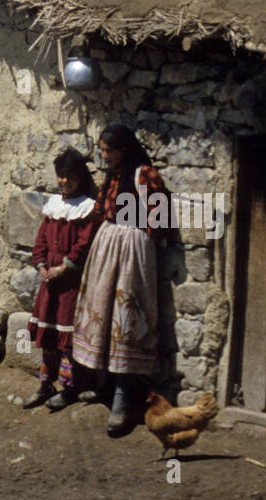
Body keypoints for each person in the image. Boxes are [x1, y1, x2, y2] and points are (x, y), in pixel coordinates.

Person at [72, 124, 169, 435]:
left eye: (109, 151)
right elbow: (102, 209)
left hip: (134, 251)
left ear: (125, 149)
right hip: (108, 245)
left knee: (126, 320)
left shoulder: (145, 176)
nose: (104, 156)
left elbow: (161, 220)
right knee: (103, 315)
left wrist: (139, 241)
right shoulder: (113, 175)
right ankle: (105, 385)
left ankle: (123, 397)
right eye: (102, 151)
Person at [23, 147, 98, 412]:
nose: (64, 181)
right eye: (61, 176)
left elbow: (83, 243)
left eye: (70, 177)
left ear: (80, 178)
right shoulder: (53, 206)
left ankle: (69, 387)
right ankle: (45, 383)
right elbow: (41, 238)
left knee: (66, 337)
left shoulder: (88, 209)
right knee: (48, 334)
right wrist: (41, 264)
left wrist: (63, 268)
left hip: (69, 282)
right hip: (49, 283)